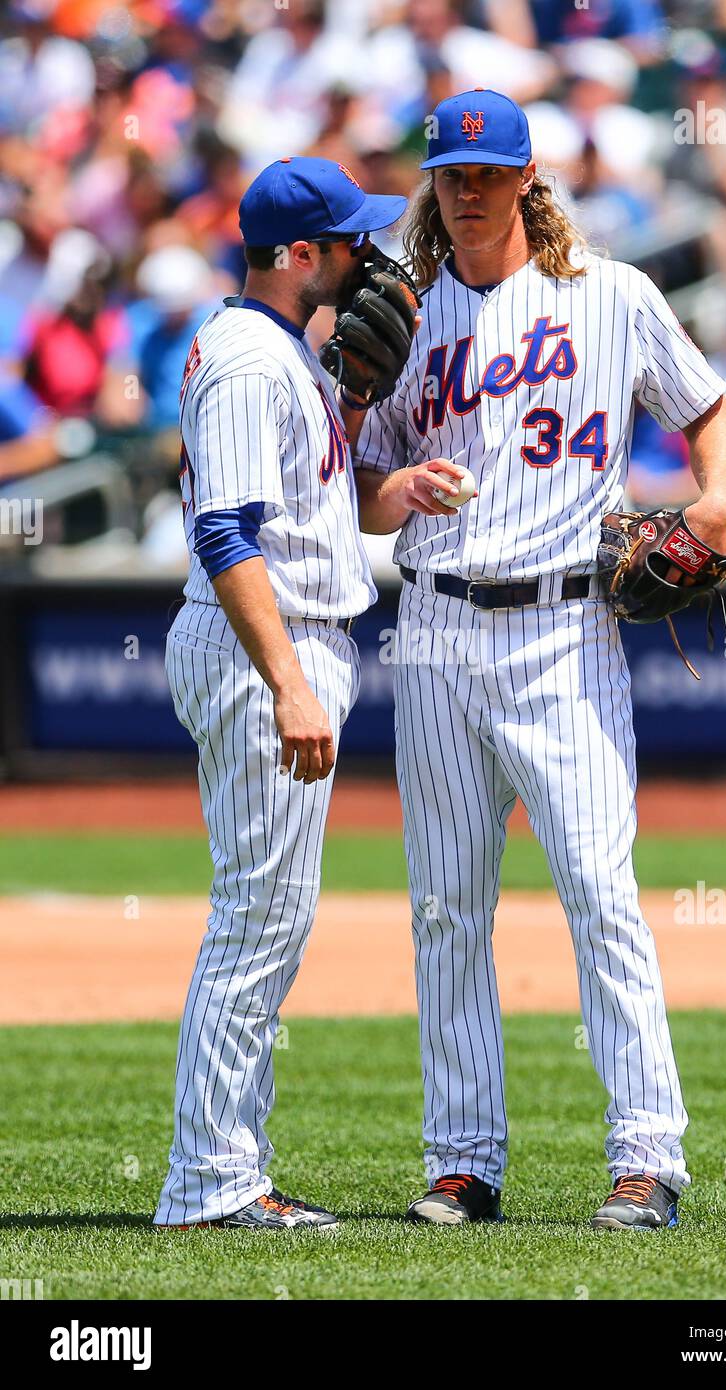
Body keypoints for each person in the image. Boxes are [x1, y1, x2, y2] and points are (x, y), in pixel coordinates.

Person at [352, 90, 726, 1231]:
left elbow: (709, 412)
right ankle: (462, 1161)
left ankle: (645, 1157)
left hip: (559, 630)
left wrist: (714, 507)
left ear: (527, 178)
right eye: (450, 174)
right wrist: (396, 489)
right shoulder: (403, 315)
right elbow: (363, 497)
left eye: (487, 172)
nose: (467, 191)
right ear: (431, 184)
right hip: (430, 628)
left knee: (598, 893)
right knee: (444, 907)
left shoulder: (611, 297)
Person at [153, 157, 406, 1231]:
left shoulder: (277, 352)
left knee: (267, 918)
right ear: (297, 254)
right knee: (258, 920)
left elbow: (307, 509)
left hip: (283, 638)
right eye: (346, 241)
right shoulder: (253, 364)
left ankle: (227, 1170)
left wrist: (389, 472)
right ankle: (210, 1182)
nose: (365, 259)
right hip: (268, 645)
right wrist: (290, 682)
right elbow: (223, 535)